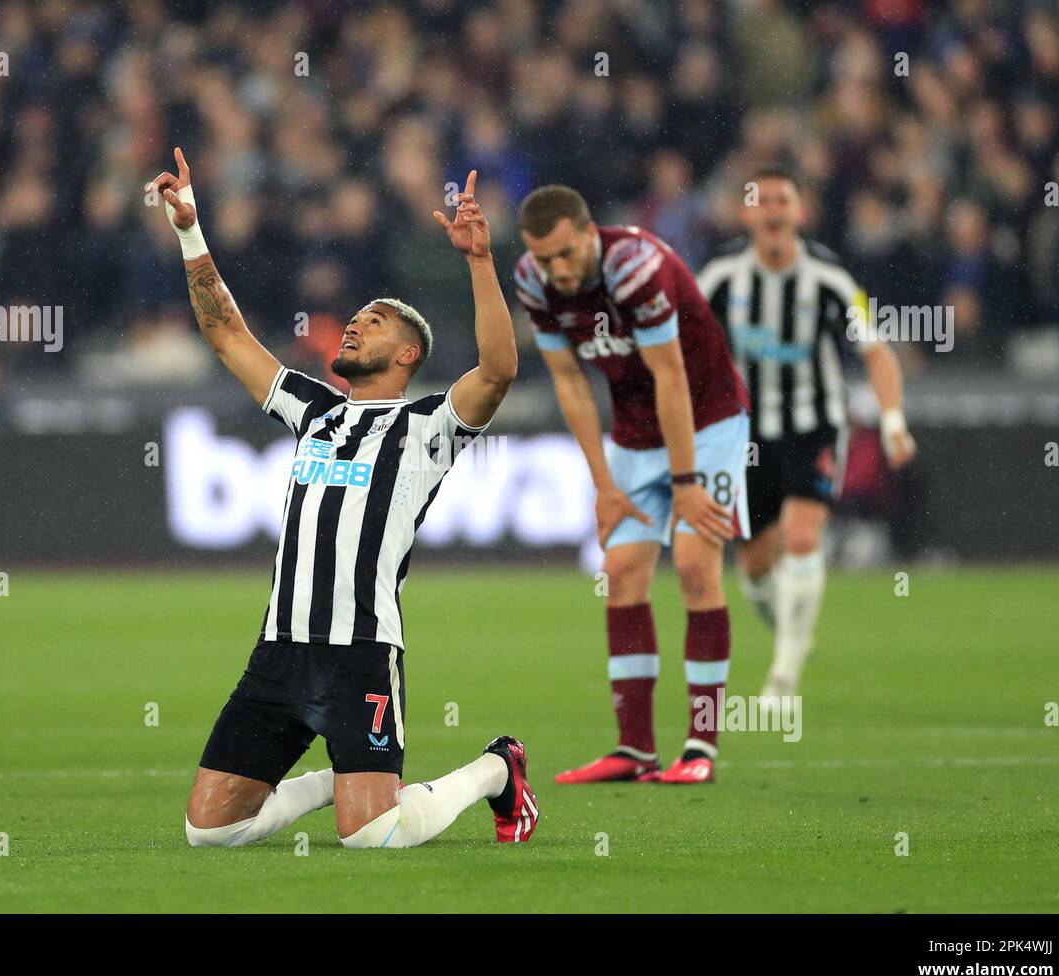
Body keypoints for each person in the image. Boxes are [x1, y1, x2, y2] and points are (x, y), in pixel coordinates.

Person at [148, 150, 538, 847]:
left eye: (376, 321)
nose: (354, 325)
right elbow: (226, 333)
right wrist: (190, 232)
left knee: (372, 838)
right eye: (357, 317)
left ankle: (494, 770)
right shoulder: (313, 409)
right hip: (280, 650)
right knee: (210, 832)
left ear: (408, 354)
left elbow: (500, 370)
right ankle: (340, 779)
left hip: (360, 650)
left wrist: (480, 261)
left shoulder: (426, 428)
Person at [516, 184, 750, 785]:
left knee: (697, 567)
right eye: (545, 259)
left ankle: (700, 747)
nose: (556, 270)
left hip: (709, 422)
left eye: (566, 254)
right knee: (620, 574)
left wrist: (688, 481)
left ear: (590, 232)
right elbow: (570, 382)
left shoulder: (636, 268)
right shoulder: (533, 282)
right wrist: (602, 483)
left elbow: (670, 375)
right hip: (633, 434)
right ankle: (635, 750)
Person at [696, 167, 916, 700]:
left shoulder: (830, 278)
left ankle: (784, 673)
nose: (772, 210)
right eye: (761, 201)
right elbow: (684, 347)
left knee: (801, 537)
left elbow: (876, 350)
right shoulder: (722, 275)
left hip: (814, 424)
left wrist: (892, 421)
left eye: (782, 200)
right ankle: (793, 635)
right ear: (747, 214)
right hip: (745, 434)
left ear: (800, 212)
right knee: (753, 567)